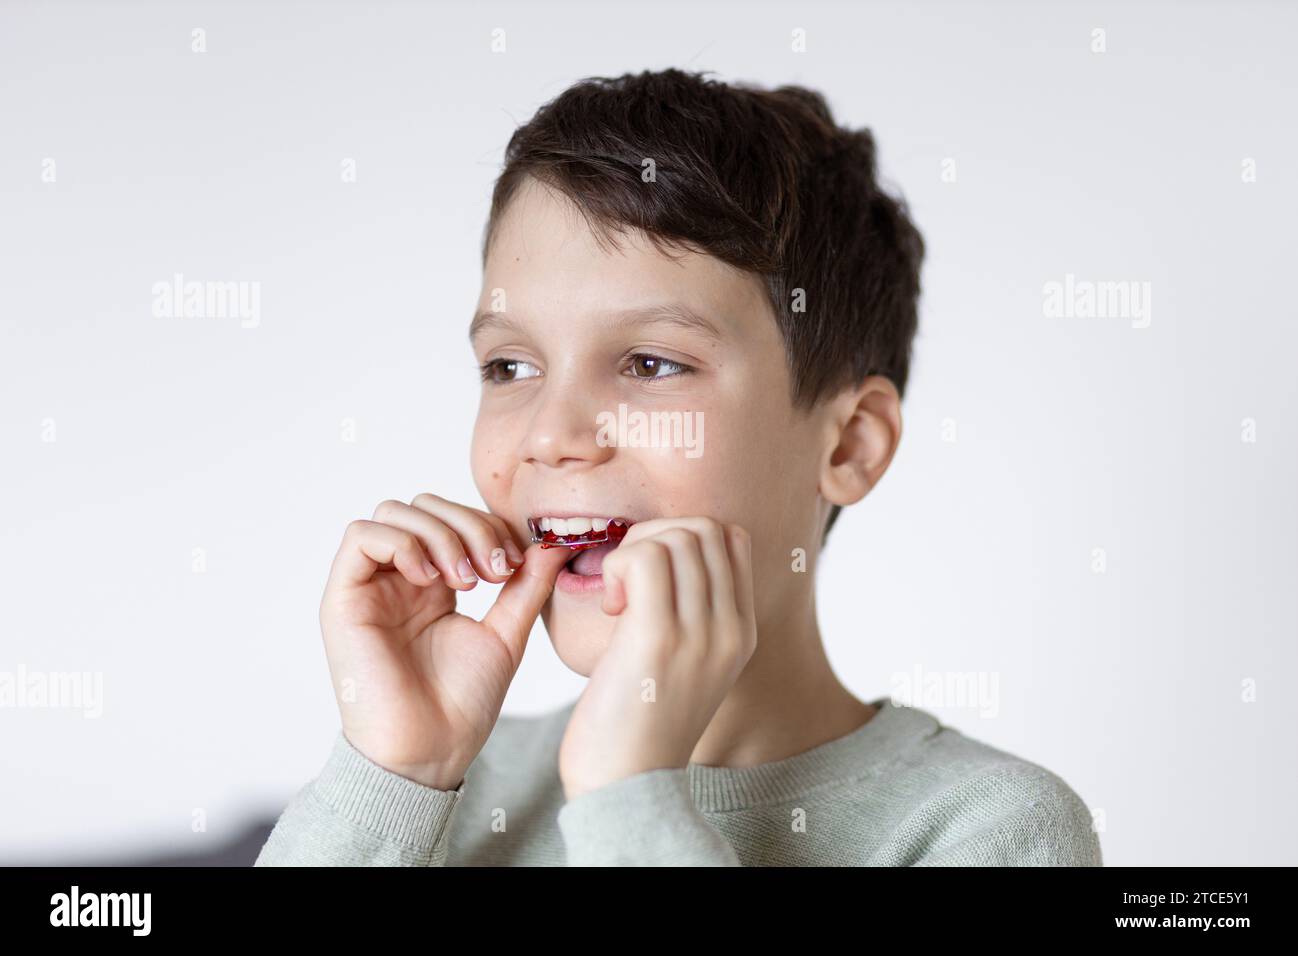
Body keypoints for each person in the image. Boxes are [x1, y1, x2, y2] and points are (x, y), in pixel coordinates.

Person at [255, 68, 1101, 866]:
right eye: (510, 367)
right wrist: (391, 777)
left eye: (650, 364)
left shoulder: (985, 828)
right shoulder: (441, 784)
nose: (551, 435)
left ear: (848, 446)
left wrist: (629, 799)